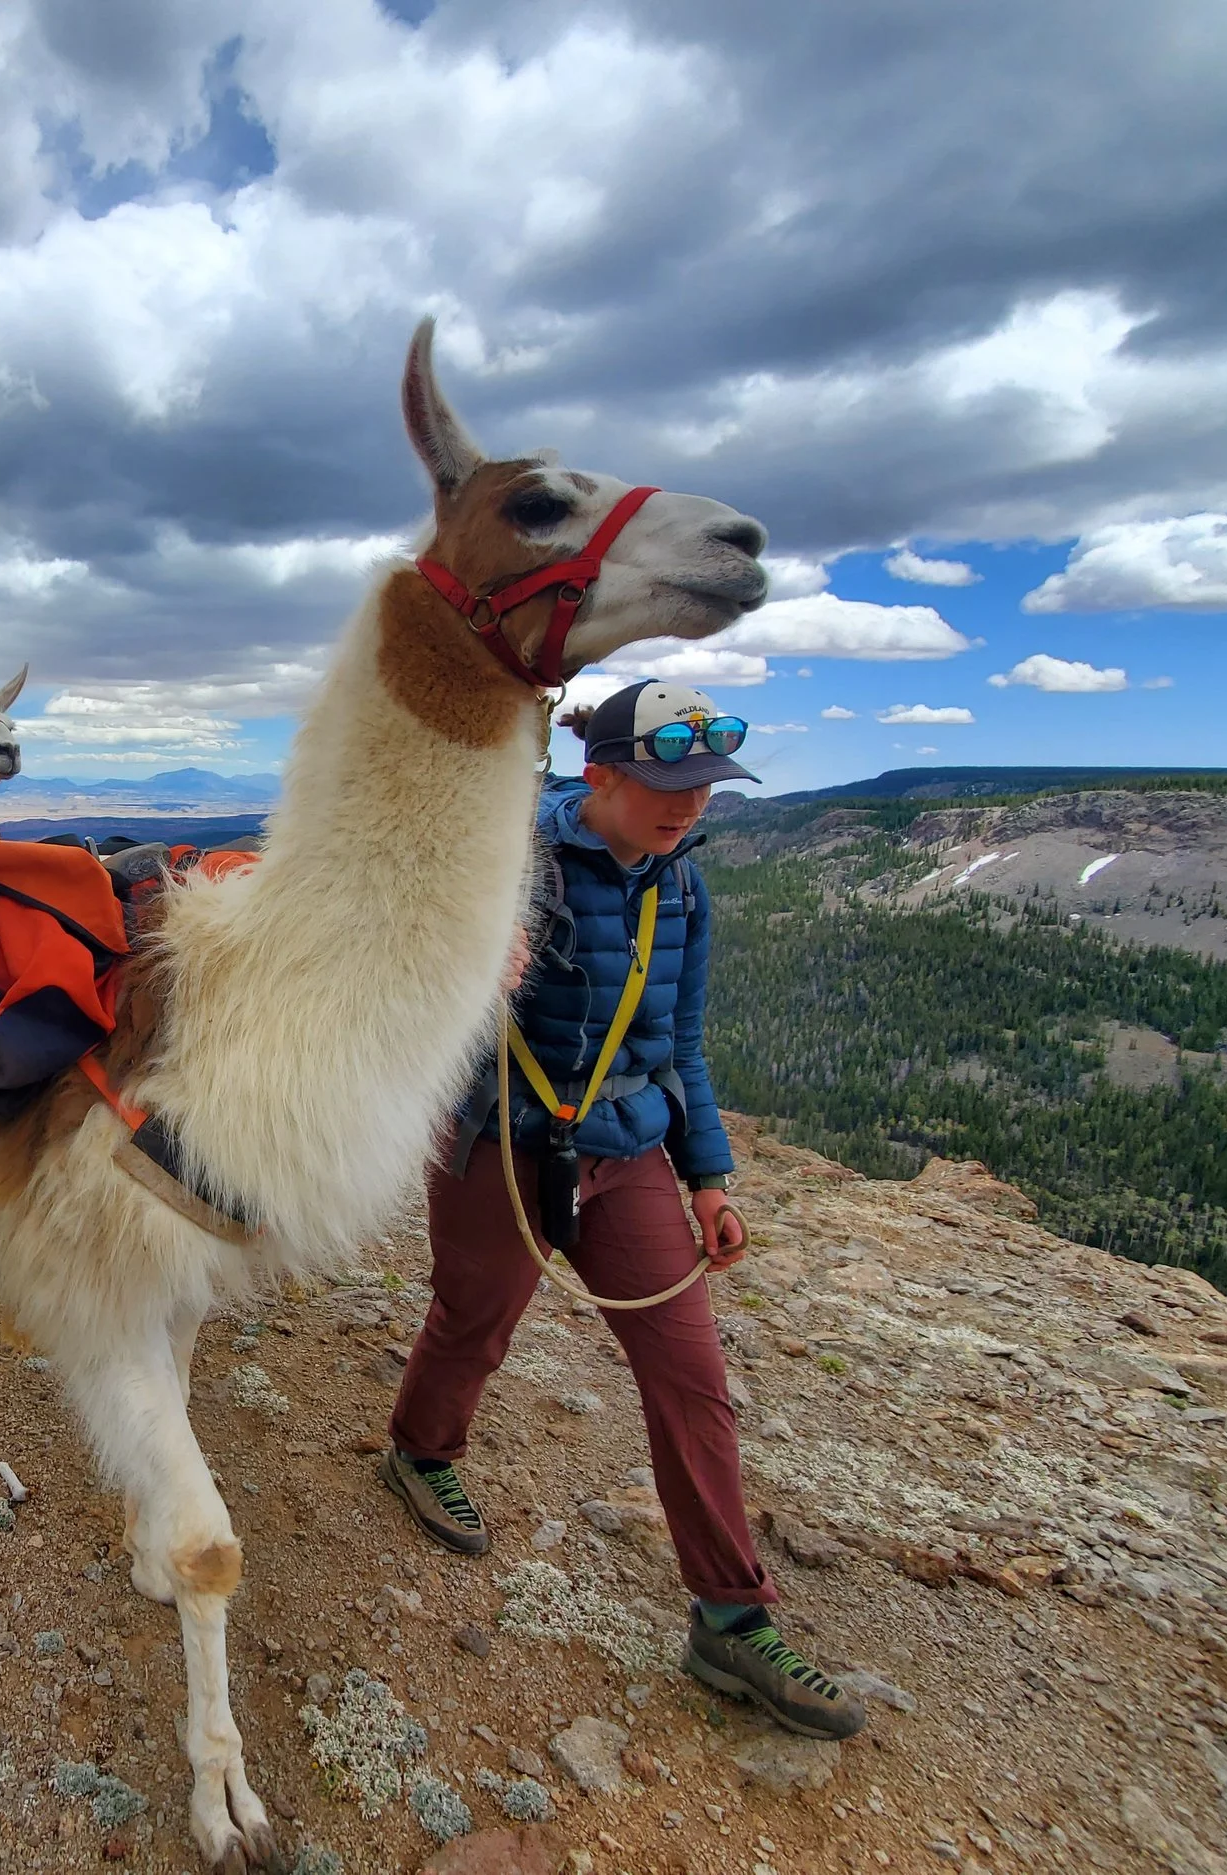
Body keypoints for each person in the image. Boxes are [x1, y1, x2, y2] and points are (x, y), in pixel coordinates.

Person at [377, 678, 866, 1742]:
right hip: (498, 1142)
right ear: (596, 775)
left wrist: (708, 1178)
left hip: (628, 1150)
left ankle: (731, 1617)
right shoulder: (507, 864)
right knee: (475, 1323)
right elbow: (409, 983)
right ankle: (420, 1451)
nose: (689, 806)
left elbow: (679, 1046)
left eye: (703, 788)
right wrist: (468, 971)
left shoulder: (682, 888)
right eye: (665, 783)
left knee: (691, 1380)